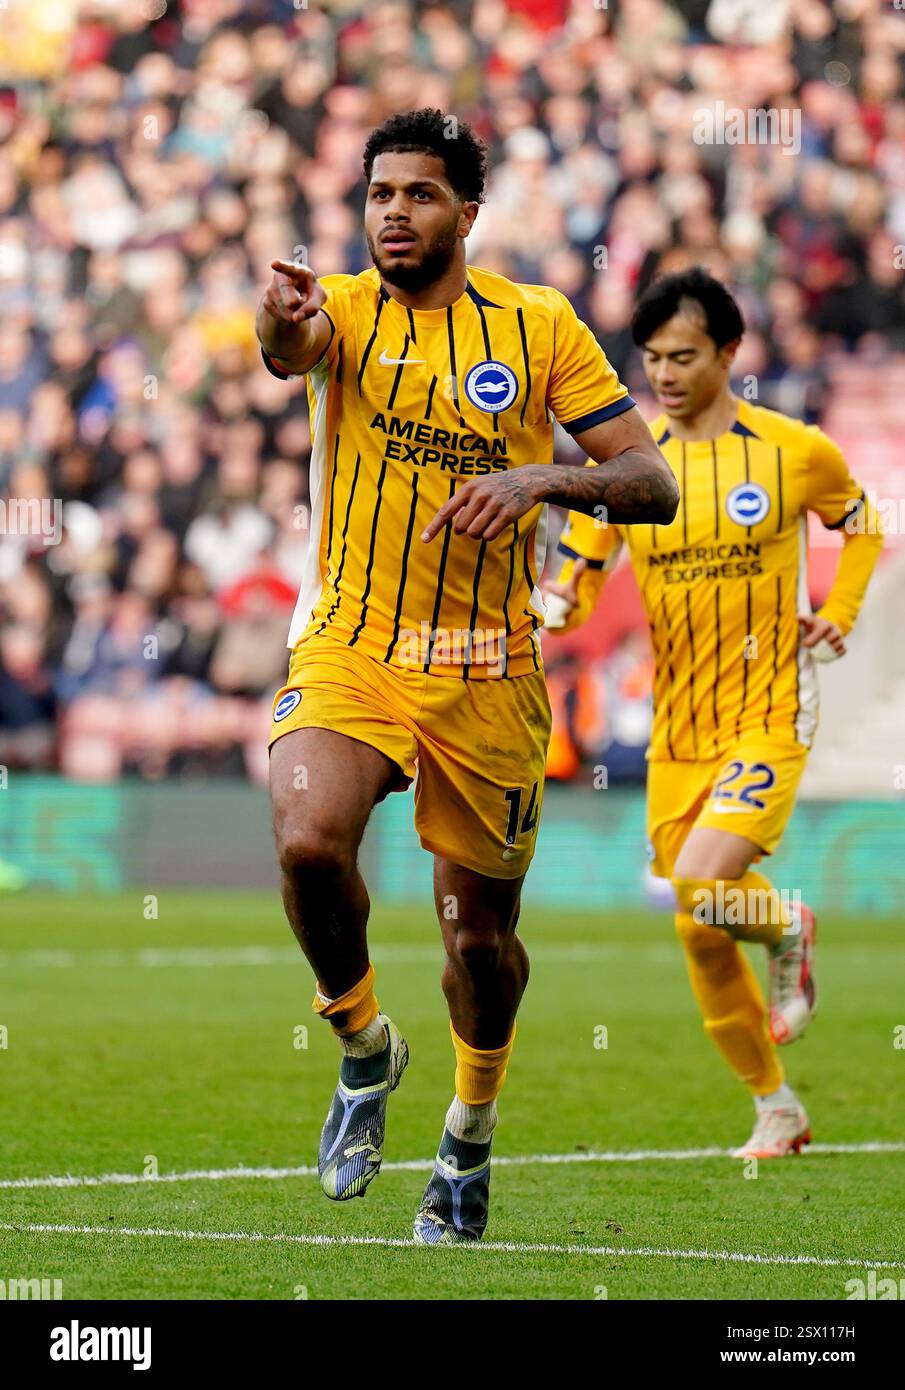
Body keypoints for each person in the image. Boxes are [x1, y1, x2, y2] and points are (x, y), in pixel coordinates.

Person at [255, 108, 677, 1243]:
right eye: (380, 192)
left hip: (487, 672)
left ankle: (468, 1132)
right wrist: (276, 324)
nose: (394, 212)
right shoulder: (338, 311)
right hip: (352, 639)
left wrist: (541, 480)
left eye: (419, 194)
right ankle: (360, 1048)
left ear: (466, 212)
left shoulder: (538, 329)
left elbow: (649, 480)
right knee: (304, 836)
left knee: (477, 944)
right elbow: (289, 349)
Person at [545, 267, 883, 1159]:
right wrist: (551, 606)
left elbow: (863, 524)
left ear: (729, 353)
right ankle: (775, 1106)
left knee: (703, 880)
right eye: (650, 358)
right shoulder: (629, 469)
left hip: (769, 707)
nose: (663, 373)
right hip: (677, 730)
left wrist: (838, 614)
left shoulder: (791, 451)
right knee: (697, 928)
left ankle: (787, 925)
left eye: (683, 355)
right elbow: (575, 575)